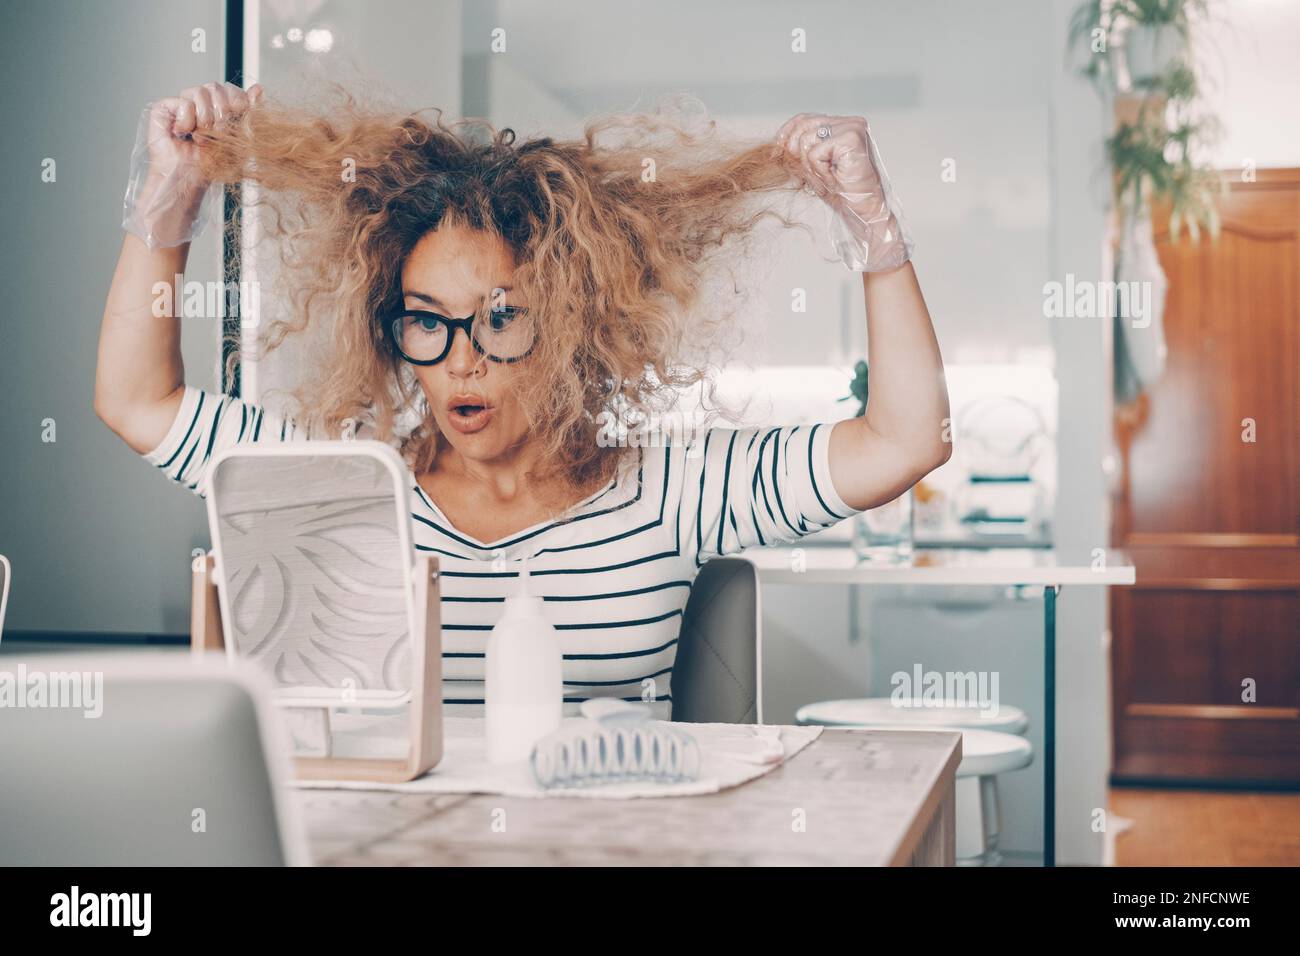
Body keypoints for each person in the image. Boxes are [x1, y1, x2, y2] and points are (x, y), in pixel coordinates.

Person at [95, 81, 950, 717]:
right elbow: (135, 401)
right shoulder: (341, 485)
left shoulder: (672, 491)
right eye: (427, 322)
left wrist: (870, 222)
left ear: (572, 324)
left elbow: (908, 440)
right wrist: (173, 189)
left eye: (501, 319)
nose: (462, 361)